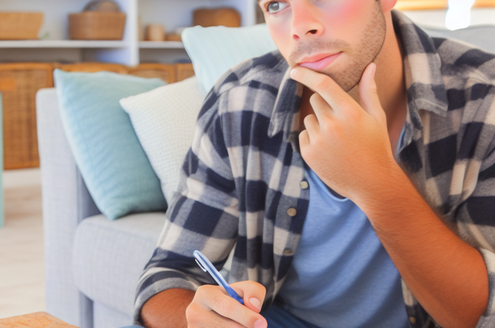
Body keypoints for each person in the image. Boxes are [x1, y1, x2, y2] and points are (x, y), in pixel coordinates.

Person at [133, 0, 495, 327]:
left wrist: (375, 182)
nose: (300, 26)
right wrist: (195, 320)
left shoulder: (483, 100)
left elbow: (478, 316)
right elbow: (168, 274)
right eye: (276, 4)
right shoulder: (240, 99)